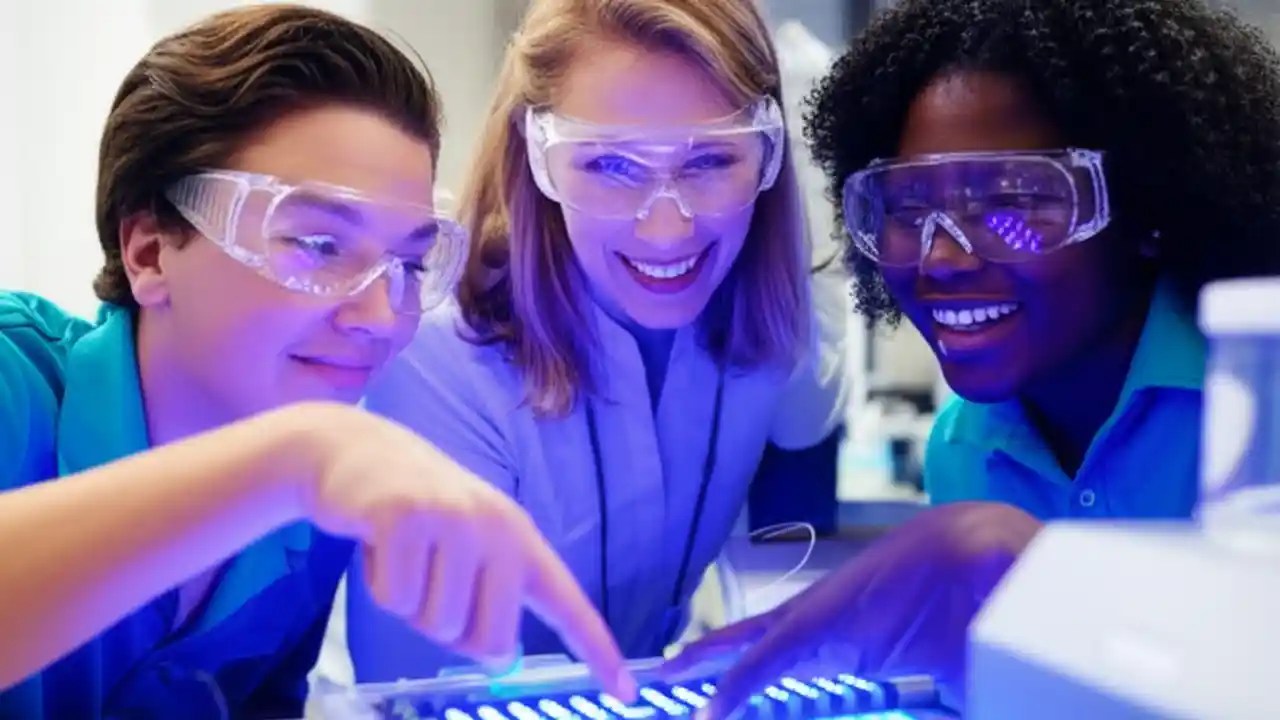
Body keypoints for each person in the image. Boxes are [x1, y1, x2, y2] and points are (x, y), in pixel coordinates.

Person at [0, 6, 634, 718]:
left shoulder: (309, 522)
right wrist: (292, 463)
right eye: (318, 246)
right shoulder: (14, 384)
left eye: (409, 261)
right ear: (150, 251)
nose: (380, 318)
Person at [662, 0, 1280, 715]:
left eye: (1014, 203)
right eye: (904, 209)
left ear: (1147, 208)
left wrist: (1053, 578)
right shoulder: (965, 449)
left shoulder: (1260, 401)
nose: (943, 257)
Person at [345, 0, 850, 682]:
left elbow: (802, 490)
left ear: (767, 152)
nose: (667, 231)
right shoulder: (439, 357)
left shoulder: (774, 303)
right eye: (610, 166)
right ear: (538, 155)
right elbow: (425, 692)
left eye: (709, 160)